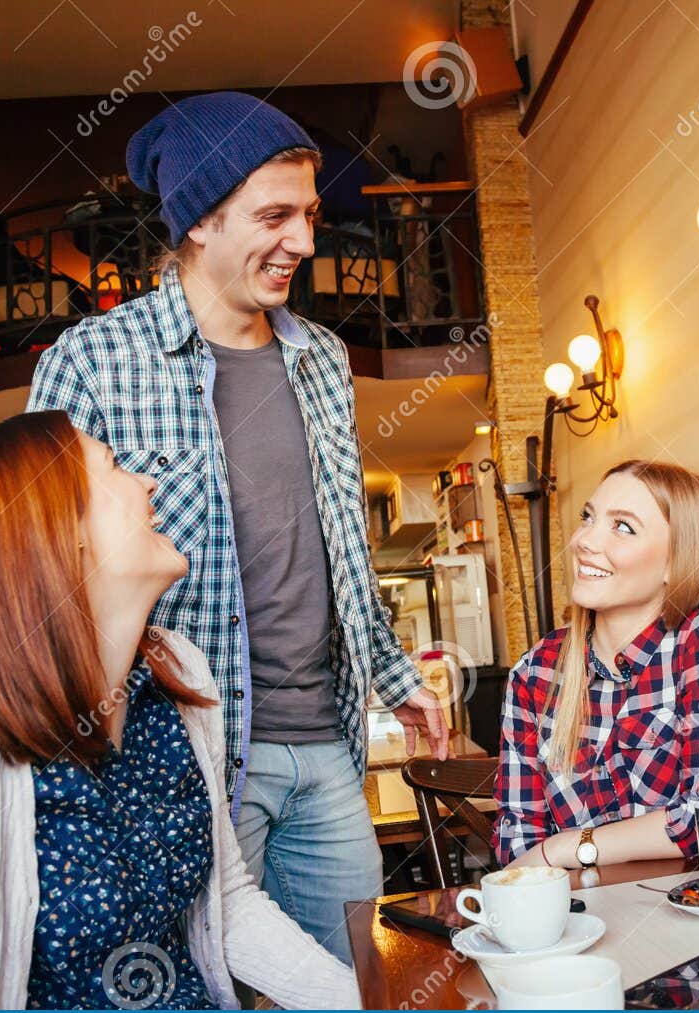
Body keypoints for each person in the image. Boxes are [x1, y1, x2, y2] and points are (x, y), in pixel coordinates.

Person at [27, 92, 447, 965]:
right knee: (206, 990)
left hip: (328, 747)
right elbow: (46, 566)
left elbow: (342, 550)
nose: (303, 241)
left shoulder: (322, 358)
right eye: (275, 216)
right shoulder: (93, 360)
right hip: (187, 759)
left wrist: (396, 675)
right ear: (200, 224)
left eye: (310, 215)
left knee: (353, 982)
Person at [0, 412, 358, 1009]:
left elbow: (228, 901)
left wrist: (367, 1011)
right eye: (113, 467)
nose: (149, 483)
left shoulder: (177, 675)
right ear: (58, 529)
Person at [494, 461, 699, 871]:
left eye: (623, 527)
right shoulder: (535, 671)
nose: (583, 540)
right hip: (574, 920)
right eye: (588, 518)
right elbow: (518, 840)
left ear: (676, 561)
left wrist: (563, 849)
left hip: (688, 916)